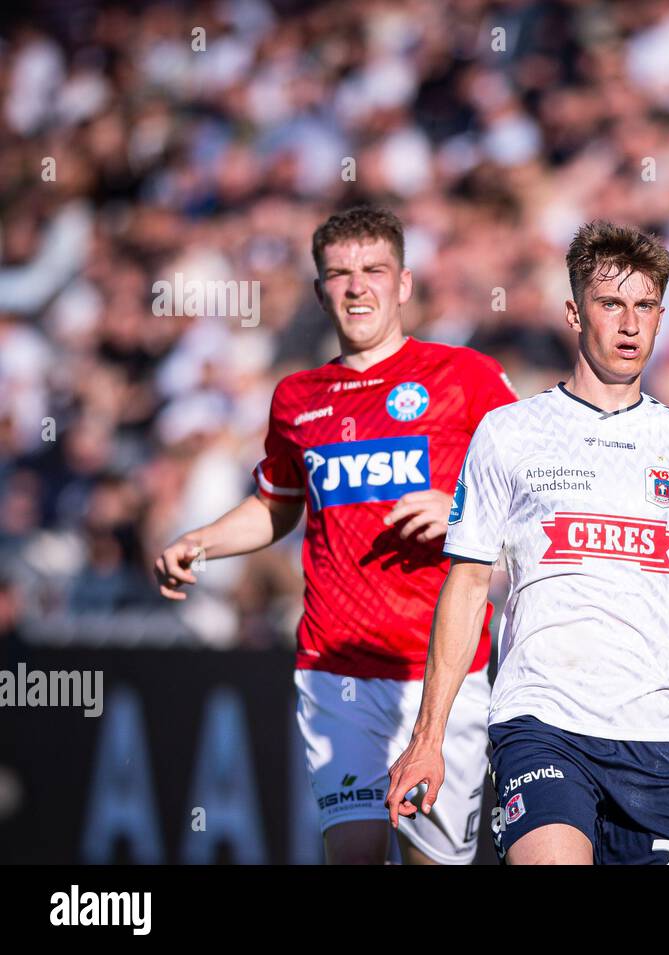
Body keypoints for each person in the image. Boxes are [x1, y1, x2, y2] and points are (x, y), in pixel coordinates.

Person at [386, 220, 669, 864]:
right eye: (611, 304)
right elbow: (468, 586)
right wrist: (429, 734)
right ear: (573, 312)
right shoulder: (510, 432)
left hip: (657, 738)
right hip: (540, 724)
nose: (629, 325)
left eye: (645, 307)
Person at [154, 206, 516, 864]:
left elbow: (539, 490)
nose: (357, 287)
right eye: (339, 274)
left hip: (442, 670)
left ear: (403, 283)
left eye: (373, 270)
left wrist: (461, 508)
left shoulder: (467, 378)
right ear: (321, 291)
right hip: (334, 665)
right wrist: (199, 539)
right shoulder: (298, 396)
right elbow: (277, 504)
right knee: (351, 853)